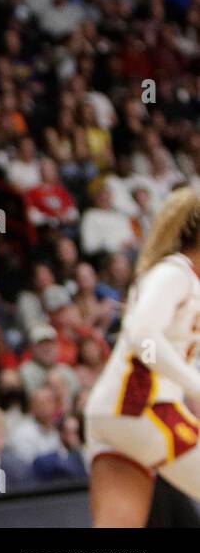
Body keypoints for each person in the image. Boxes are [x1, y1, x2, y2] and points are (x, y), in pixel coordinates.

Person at [85, 188, 200, 526]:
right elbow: (142, 336)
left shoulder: (183, 278)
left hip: (115, 417)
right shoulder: (174, 274)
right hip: (139, 407)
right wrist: (195, 385)